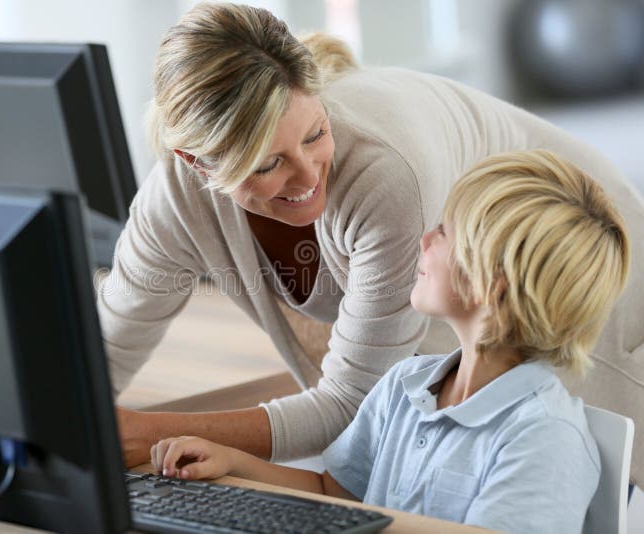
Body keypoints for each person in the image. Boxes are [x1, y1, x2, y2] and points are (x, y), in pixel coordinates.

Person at [97, 1, 644, 476]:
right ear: (196, 163)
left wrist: (152, 433)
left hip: (576, 264)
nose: (310, 177)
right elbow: (105, 349)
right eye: (269, 164)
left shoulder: (387, 176)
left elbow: (351, 403)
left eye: (315, 134)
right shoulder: (174, 199)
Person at [149, 150, 631, 533]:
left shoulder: (545, 436)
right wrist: (234, 462)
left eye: (444, 231)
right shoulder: (405, 383)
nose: (424, 239)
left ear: (491, 282)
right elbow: (336, 493)